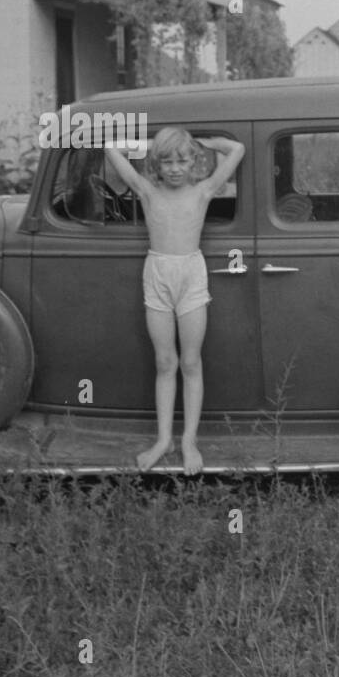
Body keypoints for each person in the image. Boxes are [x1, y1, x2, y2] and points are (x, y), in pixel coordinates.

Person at [104, 127, 245, 475]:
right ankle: (164, 439)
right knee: (165, 361)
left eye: (182, 160)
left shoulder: (203, 190)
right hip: (158, 273)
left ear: (194, 161)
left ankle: (188, 441)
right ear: (157, 164)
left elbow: (237, 149)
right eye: (166, 161)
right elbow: (110, 149)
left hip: (191, 275)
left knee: (191, 361)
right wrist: (153, 146)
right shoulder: (147, 191)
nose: (175, 168)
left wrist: (202, 143)